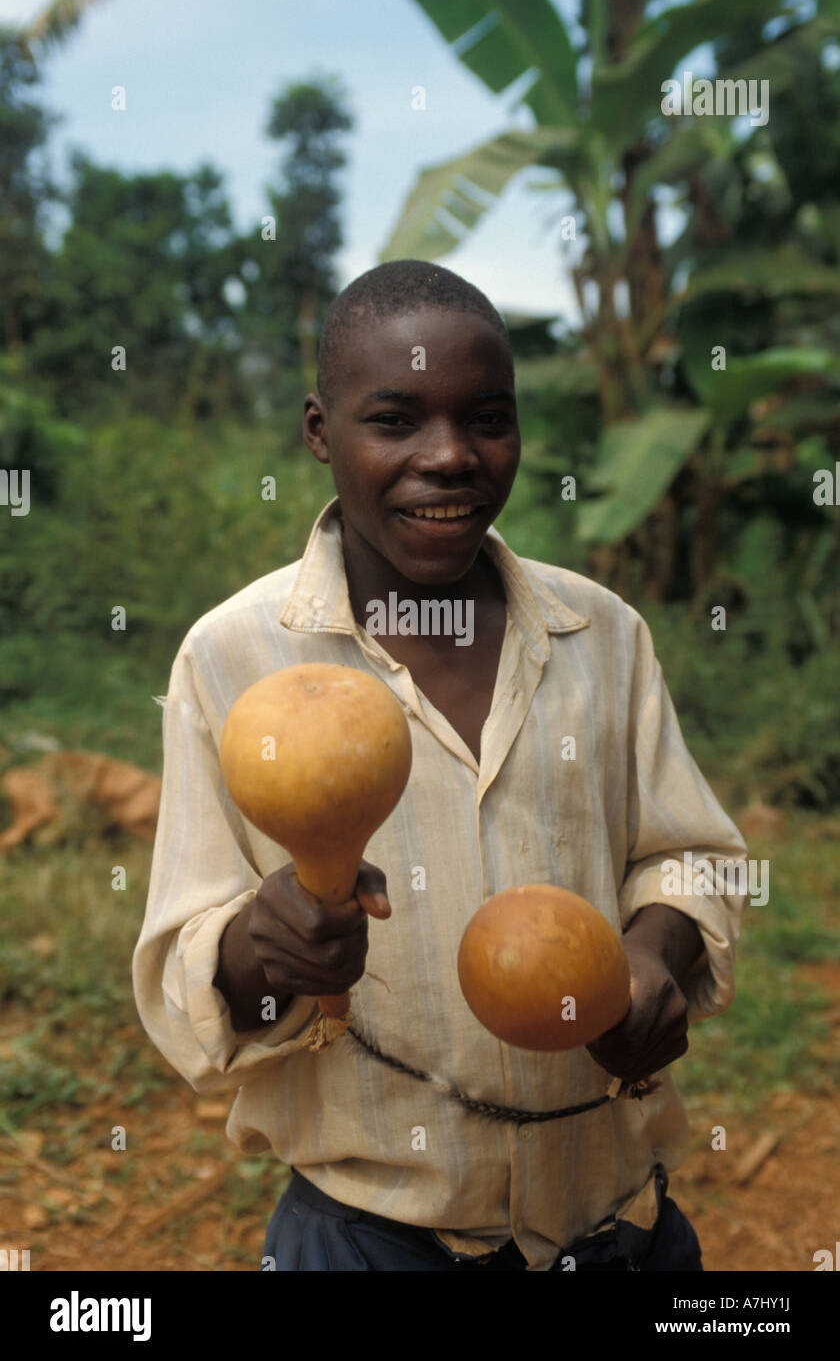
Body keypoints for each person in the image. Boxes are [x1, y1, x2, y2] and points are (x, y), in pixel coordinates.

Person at [132, 259, 747, 1272]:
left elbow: (690, 856)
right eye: (396, 420)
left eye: (488, 419)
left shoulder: (601, 632)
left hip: (616, 1223)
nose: (451, 456)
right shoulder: (233, 657)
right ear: (321, 433)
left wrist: (652, 956)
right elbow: (187, 966)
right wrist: (267, 944)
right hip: (366, 1236)